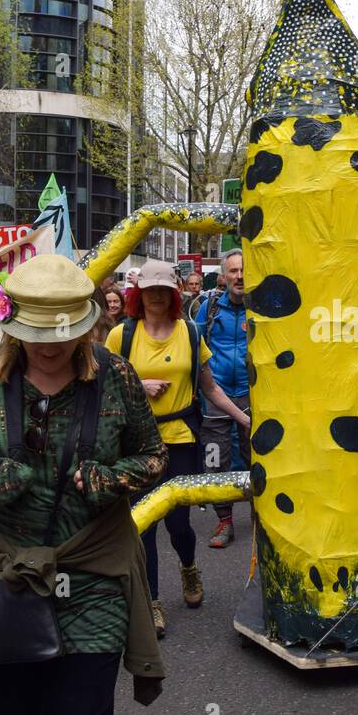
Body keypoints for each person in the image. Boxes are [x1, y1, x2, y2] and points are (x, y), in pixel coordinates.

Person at [0, 254, 168, 715]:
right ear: (12, 325)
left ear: (86, 325)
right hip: (7, 574)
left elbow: (154, 455)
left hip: (95, 578)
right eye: (37, 333)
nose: (50, 346)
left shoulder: (116, 375)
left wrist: (109, 478)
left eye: (62, 333)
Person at [106, 260, 251, 637]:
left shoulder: (189, 333)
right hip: (134, 442)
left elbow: (211, 388)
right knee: (144, 526)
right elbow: (100, 387)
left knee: (179, 525)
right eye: (149, 290)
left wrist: (247, 420)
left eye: (163, 290)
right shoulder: (120, 336)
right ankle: (151, 601)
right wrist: (137, 383)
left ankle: (189, 567)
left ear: (174, 294)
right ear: (138, 294)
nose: (156, 296)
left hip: (182, 440)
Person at [189, 250, 251, 548]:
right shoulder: (209, 308)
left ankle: (261, 516)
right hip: (215, 397)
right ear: (224, 277)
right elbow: (195, 348)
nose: (239, 276)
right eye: (234, 271)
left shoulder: (260, 308)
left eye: (243, 270)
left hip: (254, 397)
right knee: (215, 460)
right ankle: (224, 521)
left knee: (259, 457)